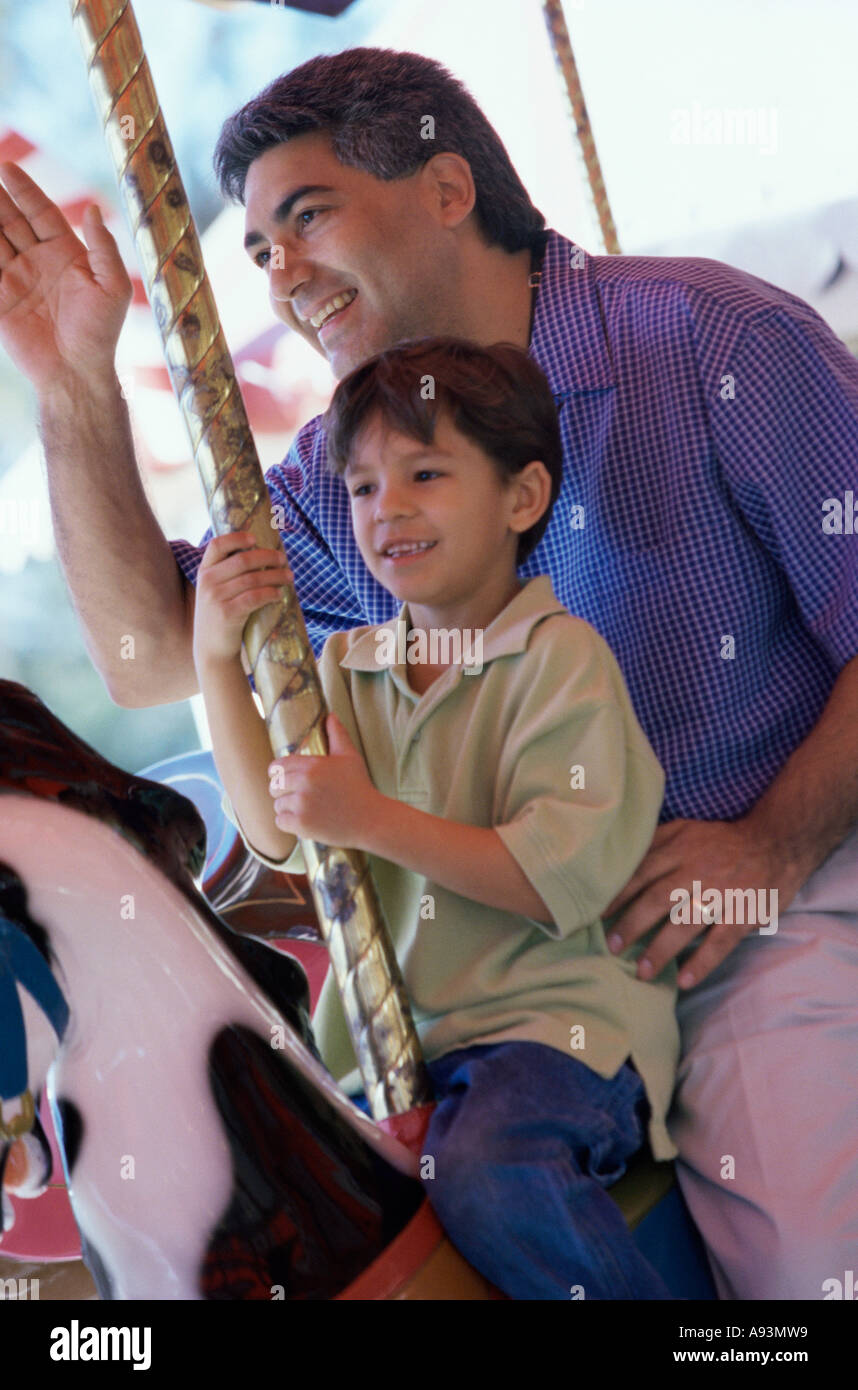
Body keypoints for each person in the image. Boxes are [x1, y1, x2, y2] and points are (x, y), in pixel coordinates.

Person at [0, 46, 856, 1298]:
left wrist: (771, 843)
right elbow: (148, 657)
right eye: (255, 254)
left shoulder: (714, 341)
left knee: (800, 1250)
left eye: (306, 219)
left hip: (774, 874)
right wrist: (74, 383)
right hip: (536, 957)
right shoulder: (361, 482)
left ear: (448, 185)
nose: (279, 274)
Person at [193, 336, 676, 1300]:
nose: (389, 510)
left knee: (489, 1171)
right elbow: (279, 831)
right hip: (396, 1043)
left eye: (424, 474)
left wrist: (370, 818)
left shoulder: (559, 662)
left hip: (554, 1028)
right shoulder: (344, 668)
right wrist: (215, 661)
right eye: (364, 488)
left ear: (522, 499)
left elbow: (554, 876)